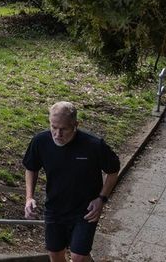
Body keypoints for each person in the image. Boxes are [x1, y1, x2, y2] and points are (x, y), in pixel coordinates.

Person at [23, 101, 121, 262]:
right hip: (54, 208)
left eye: (64, 129)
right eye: (53, 127)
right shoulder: (40, 141)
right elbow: (31, 168)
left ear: (75, 124)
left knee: (79, 257)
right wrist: (29, 197)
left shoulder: (94, 145)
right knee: (55, 253)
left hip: (85, 210)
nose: (57, 134)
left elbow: (113, 171)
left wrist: (101, 199)